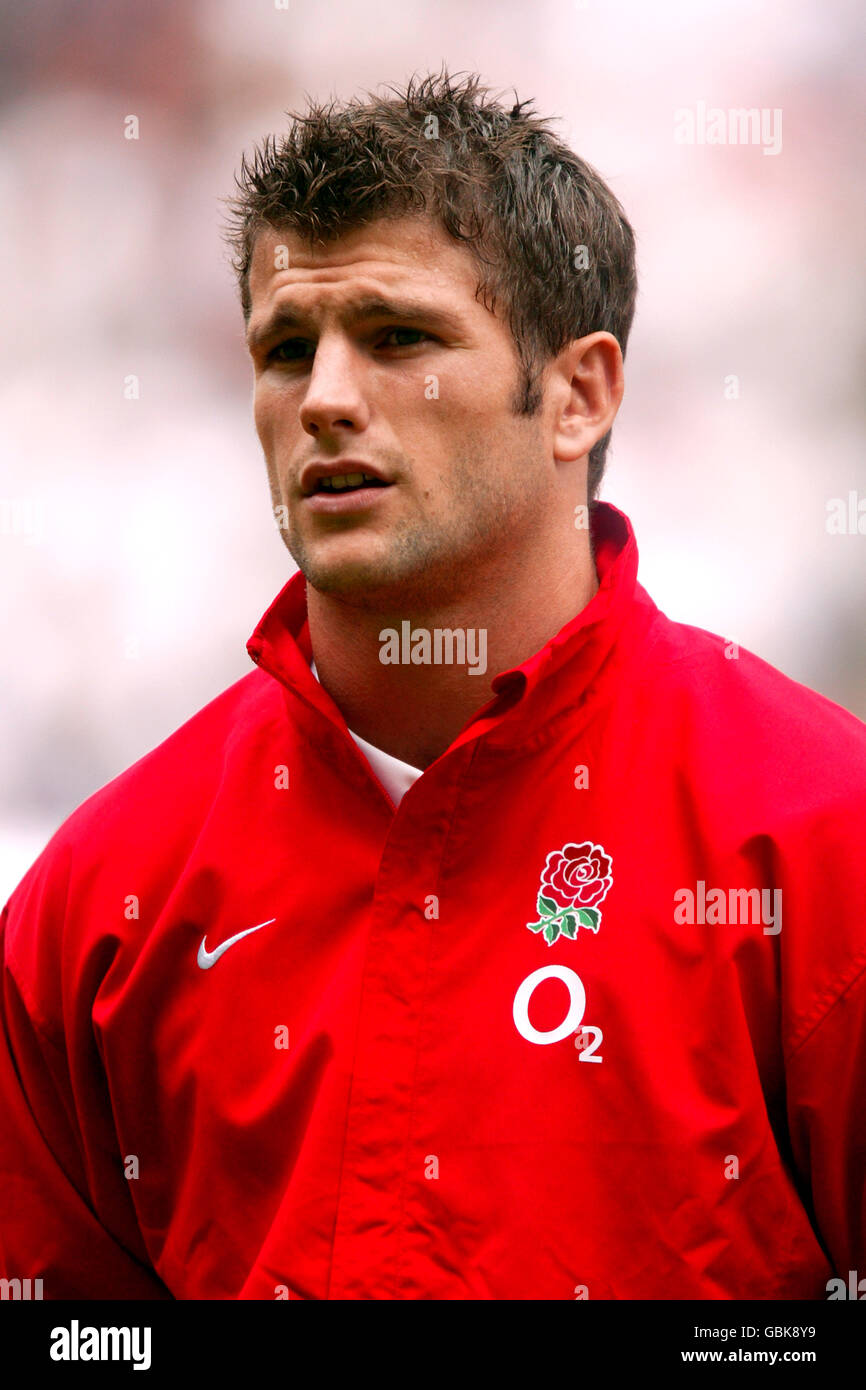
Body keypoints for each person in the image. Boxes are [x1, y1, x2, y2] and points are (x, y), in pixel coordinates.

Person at [1, 69, 864, 1302]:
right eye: (285, 350)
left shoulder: (821, 839)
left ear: (577, 395)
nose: (325, 400)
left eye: (397, 337)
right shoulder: (104, 897)